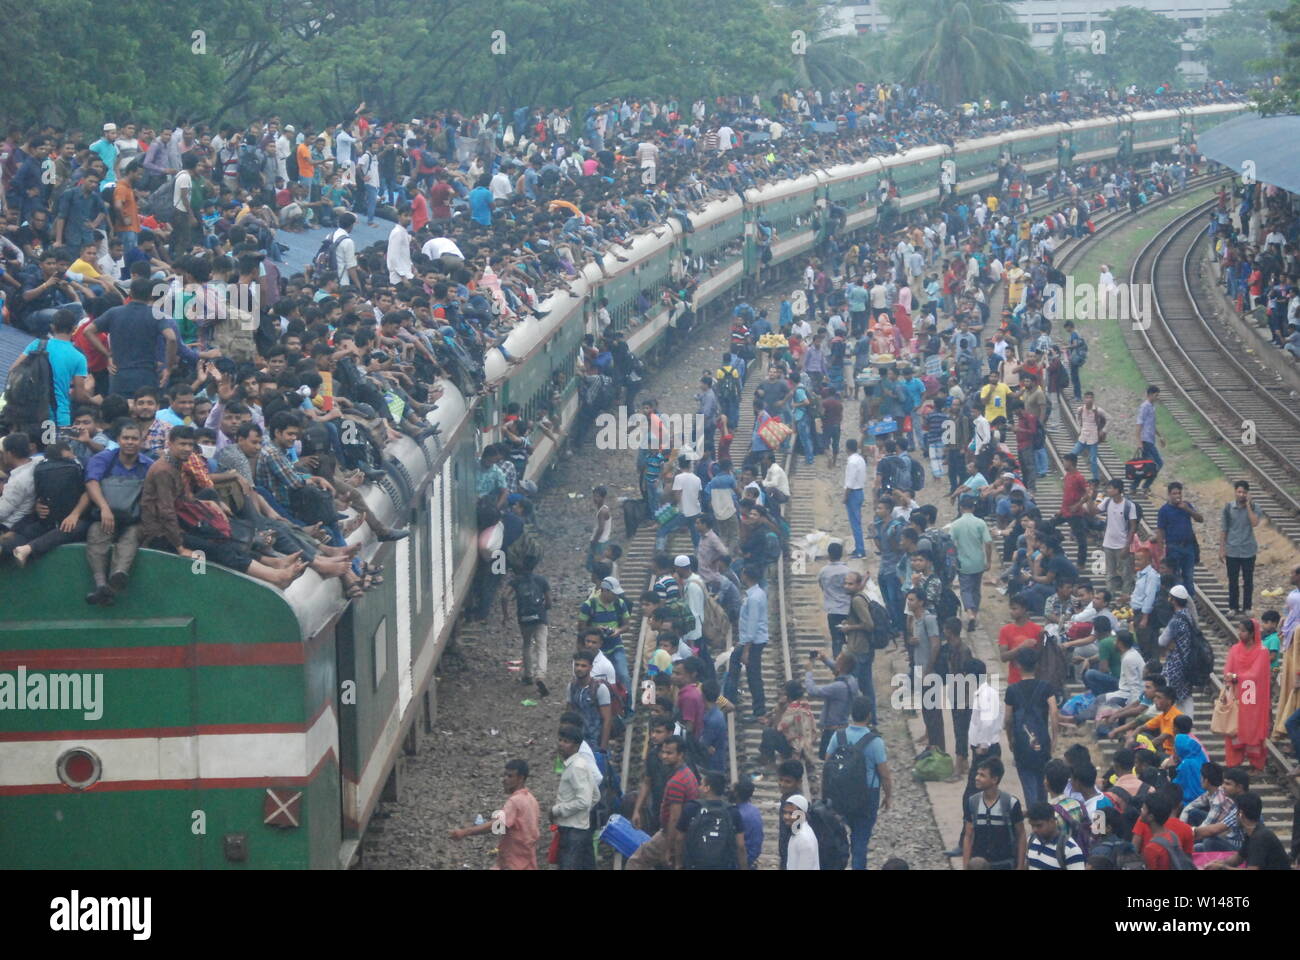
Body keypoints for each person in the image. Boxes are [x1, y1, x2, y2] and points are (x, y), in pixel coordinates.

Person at [824, 695, 892, 870]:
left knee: (839, 835)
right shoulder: (875, 741)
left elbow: (828, 764)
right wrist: (888, 796)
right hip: (867, 795)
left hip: (840, 794)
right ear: (869, 715)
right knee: (860, 840)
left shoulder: (838, 737)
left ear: (851, 713)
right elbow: (884, 774)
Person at [447, 759, 540, 870]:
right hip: (527, 861)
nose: (504, 780)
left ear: (521, 778)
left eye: (510, 776)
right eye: (504, 775)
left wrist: (465, 832)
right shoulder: (531, 800)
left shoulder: (515, 801)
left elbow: (497, 825)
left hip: (513, 863)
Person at [626, 735, 699, 870]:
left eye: (669, 753)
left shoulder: (677, 782)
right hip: (682, 833)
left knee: (635, 863)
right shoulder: (688, 773)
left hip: (670, 834)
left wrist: (668, 848)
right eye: (663, 752)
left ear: (680, 755)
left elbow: (674, 818)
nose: (664, 756)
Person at [1004, 646, 1057, 807]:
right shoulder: (1046, 687)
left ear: (1018, 665)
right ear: (1037, 665)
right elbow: (1054, 713)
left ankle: (1035, 815)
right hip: (1042, 742)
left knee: (1028, 783)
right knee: (1043, 783)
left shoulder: (1012, 690)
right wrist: (1054, 739)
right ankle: (1043, 814)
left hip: (1022, 743)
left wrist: (1010, 739)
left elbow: (1007, 719)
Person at [962, 757, 1027, 870]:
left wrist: (1020, 865)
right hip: (979, 865)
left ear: (994, 779)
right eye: (977, 774)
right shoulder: (972, 802)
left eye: (982, 775)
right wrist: (966, 865)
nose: (977, 778)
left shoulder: (1011, 803)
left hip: (1005, 864)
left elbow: (1021, 834)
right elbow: (968, 835)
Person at [1224, 617, 1271, 770]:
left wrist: (1236, 677)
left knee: (1252, 728)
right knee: (1234, 728)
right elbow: (1228, 670)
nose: (1240, 633)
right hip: (1237, 696)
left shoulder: (1262, 652)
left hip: (1253, 698)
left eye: (1243, 631)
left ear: (1252, 633)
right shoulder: (1235, 649)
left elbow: (1256, 675)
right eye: (1239, 630)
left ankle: (1255, 764)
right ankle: (1233, 762)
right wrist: (1229, 683)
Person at [676, 771, 748, 870]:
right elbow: (740, 846)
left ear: (707, 788)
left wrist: (678, 864)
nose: (699, 788)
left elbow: (679, 839)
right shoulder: (732, 812)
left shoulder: (692, 808)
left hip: (695, 865)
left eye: (701, 784)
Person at [551, 725, 600, 870]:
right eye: (560, 740)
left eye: (566, 741)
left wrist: (557, 810)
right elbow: (595, 795)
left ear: (576, 746)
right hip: (581, 829)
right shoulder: (580, 764)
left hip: (572, 831)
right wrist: (582, 814)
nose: (561, 744)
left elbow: (584, 801)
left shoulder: (576, 767)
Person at [1203, 792, 1291, 870]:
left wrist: (1224, 868)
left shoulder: (1260, 837)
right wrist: (1220, 863)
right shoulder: (1252, 833)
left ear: (1240, 814)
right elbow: (1238, 858)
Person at [948, 494, 992, 633]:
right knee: (976, 589)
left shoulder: (955, 524)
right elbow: (988, 542)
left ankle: (970, 613)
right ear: (973, 507)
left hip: (963, 563)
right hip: (978, 561)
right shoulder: (980, 523)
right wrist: (988, 560)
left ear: (960, 508)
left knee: (965, 589)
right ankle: (975, 612)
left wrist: (952, 560)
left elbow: (950, 544)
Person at [1220, 481, 1262, 614]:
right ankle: (1233, 607)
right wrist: (1222, 548)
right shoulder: (1228, 508)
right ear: (1235, 492)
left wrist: (1248, 506)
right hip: (1232, 549)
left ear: (1248, 493)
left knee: (1248, 580)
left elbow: (1255, 523)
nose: (1241, 494)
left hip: (1248, 549)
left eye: (1244, 492)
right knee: (1233, 580)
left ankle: (1247, 607)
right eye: (1239, 492)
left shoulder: (1255, 507)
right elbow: (1224, 529)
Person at [512, 556, 551, 697]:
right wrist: (544, 609)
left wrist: (505, 616)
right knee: (541, 647)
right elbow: (549, 602)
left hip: (524, 619)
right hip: (539, 618)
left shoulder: (516, 581)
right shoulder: (541, 580)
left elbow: (504, 597)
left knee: (527, 645)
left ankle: (528, 675)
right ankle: (540, 675)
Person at [1155, 481, 1202, 596]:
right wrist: (1161, 551)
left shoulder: (1186, 506)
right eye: (1174, 493)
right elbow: (1160, 531)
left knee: (1188, 576)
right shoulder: (1164, 510)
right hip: (1173, 547)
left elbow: (1200, 519)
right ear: (1169, 494)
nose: (1177, 496)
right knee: (1174, 576)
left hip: (1188, 546)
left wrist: (1187, 509)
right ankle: (1175, 600)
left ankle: (1189, 601)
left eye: (1179, 493)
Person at [1025, 801, 1086, 870]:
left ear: (1052, 821)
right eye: (1032, 825)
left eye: (1039, 825)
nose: (1034, 830)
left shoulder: (1070, 849)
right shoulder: (1031, 839)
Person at [818, 541, 852, 657]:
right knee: (851, 639)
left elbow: (822, 586)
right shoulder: (847, 571)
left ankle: (838, 666)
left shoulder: (823, 571)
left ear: (829, 554)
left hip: (833, 611)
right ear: (841, 554)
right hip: (848, 610)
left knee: (837, 640)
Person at [1134, 385, 1164, 493]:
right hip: (1145, 440)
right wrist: (1139, 441)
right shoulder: (1145, 406)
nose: (1157, 397)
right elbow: (1139, 423)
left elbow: (1151, 424)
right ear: (1150, 395)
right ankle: (1145, 486)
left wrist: (1160, 436)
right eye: (1156, 395)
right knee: (1158, 463)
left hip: (1150, 439)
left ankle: (1134, 487)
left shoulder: (1152, 407)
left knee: (1145, 466)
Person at [843, 438, 867, 558]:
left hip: (853, 493)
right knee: (856, 522)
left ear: (847, 448)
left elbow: (850, 482)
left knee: (855, 523)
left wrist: (845, 496)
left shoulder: (852, 462)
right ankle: (859, 547)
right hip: (860, 491)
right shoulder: (860, 459)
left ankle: (860, 550)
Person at [783, 794, 820, 870]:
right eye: (785, 812)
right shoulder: (797, 831)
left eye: (791, 813)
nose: (786, 817)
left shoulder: (803, 838)